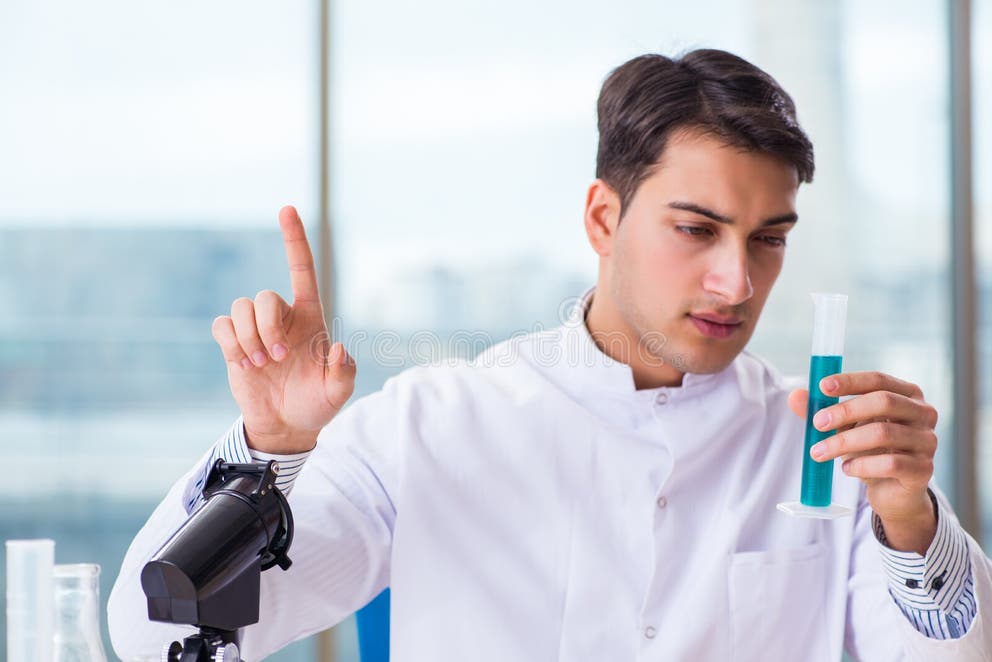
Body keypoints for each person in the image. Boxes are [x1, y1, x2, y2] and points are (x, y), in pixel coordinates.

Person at [108, 49, 992, 661]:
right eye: (696, 229)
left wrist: (910, 522)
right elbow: (150, 636)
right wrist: (269, 448)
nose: (737, 281)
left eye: (768, 239)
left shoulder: (823, 448)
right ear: (603, 219)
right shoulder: (432, 425)